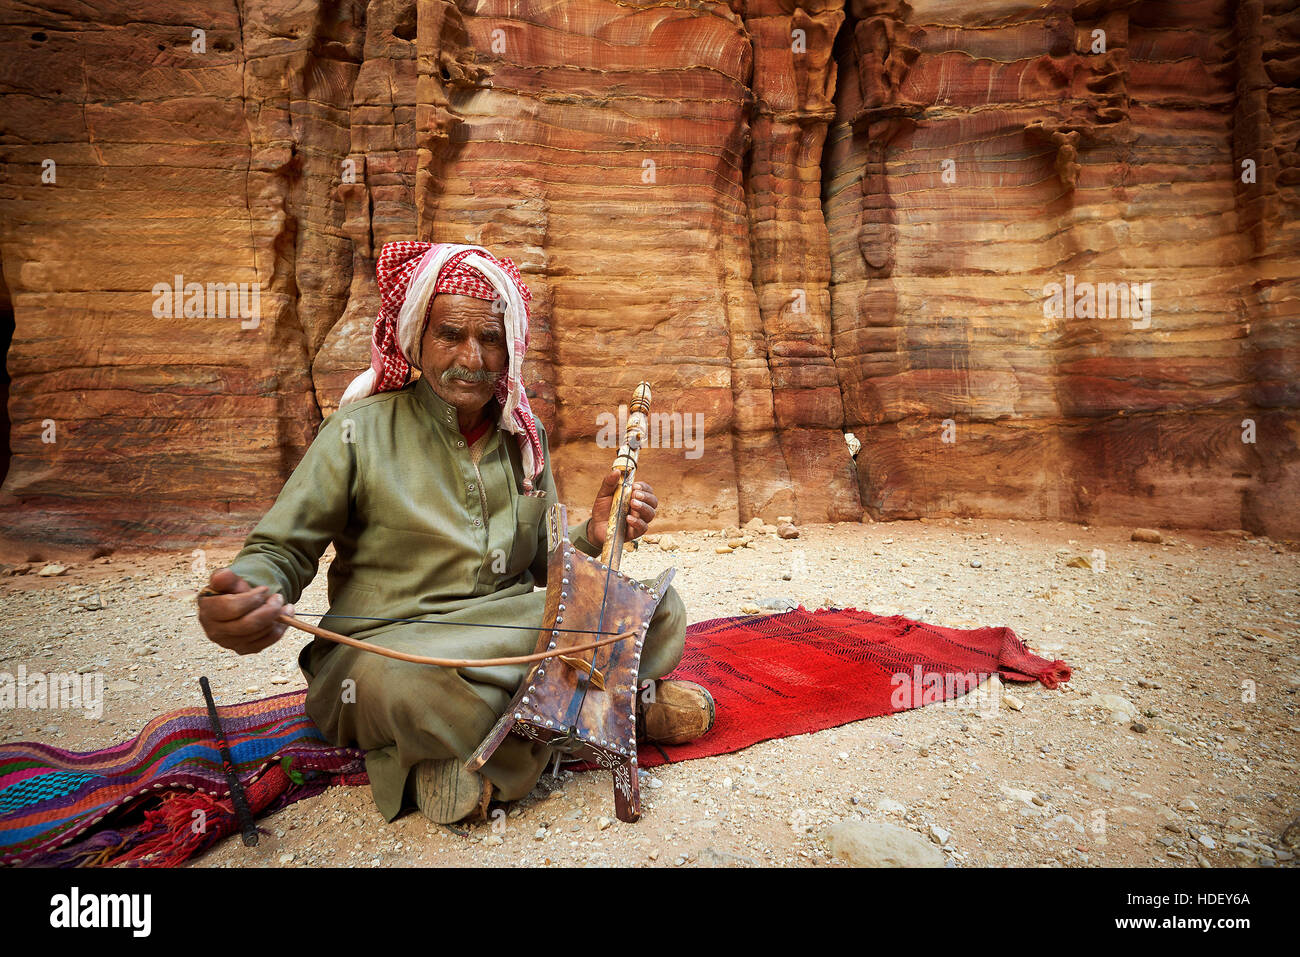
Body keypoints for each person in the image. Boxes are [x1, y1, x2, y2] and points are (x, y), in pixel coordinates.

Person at [196, 242, 713, 824]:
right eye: (451, 335)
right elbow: (280, 550)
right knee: (412, 687)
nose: (473, 356)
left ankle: (477, 755)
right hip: (396, 648)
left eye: (490, 338)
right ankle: (608, 716)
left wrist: (593, 532)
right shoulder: (358, 432)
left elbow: (549, 567)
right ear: (417, 339)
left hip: (502, 632)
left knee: (653, 608)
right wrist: (246, 590)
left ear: (509, 346)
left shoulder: (523, 434)